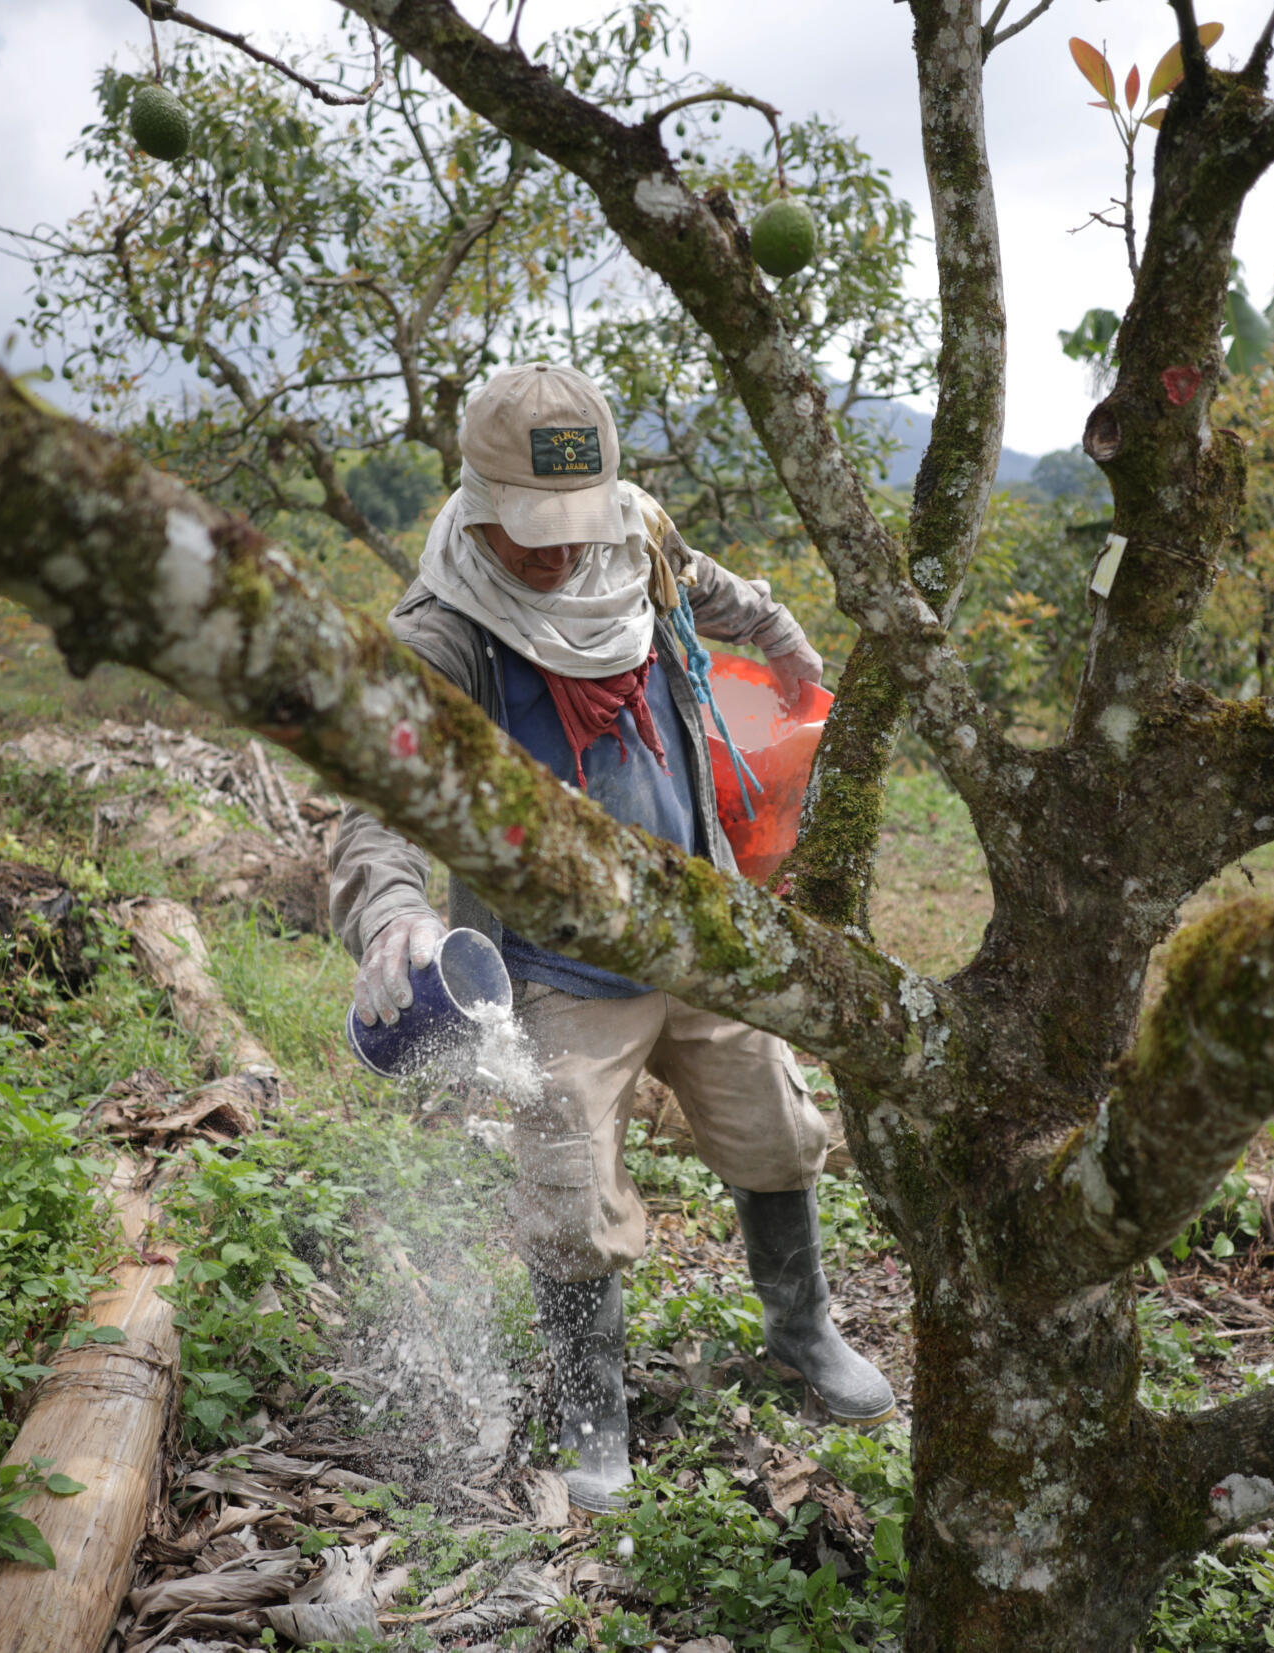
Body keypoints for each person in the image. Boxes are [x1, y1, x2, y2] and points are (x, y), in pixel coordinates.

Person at [328, 361, 894, 1512]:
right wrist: (390, 912)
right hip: (554, 965)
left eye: (571, 526)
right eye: (530, 532)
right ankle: (592, 1411)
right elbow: (373, 799)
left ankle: (802, 1329)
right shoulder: (445, 637)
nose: (557, 553)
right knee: (569, 1191)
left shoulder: (630, 534)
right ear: (479, 502)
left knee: (774, 1129)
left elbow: (704, 585)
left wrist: (781, 639)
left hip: (699, 919)